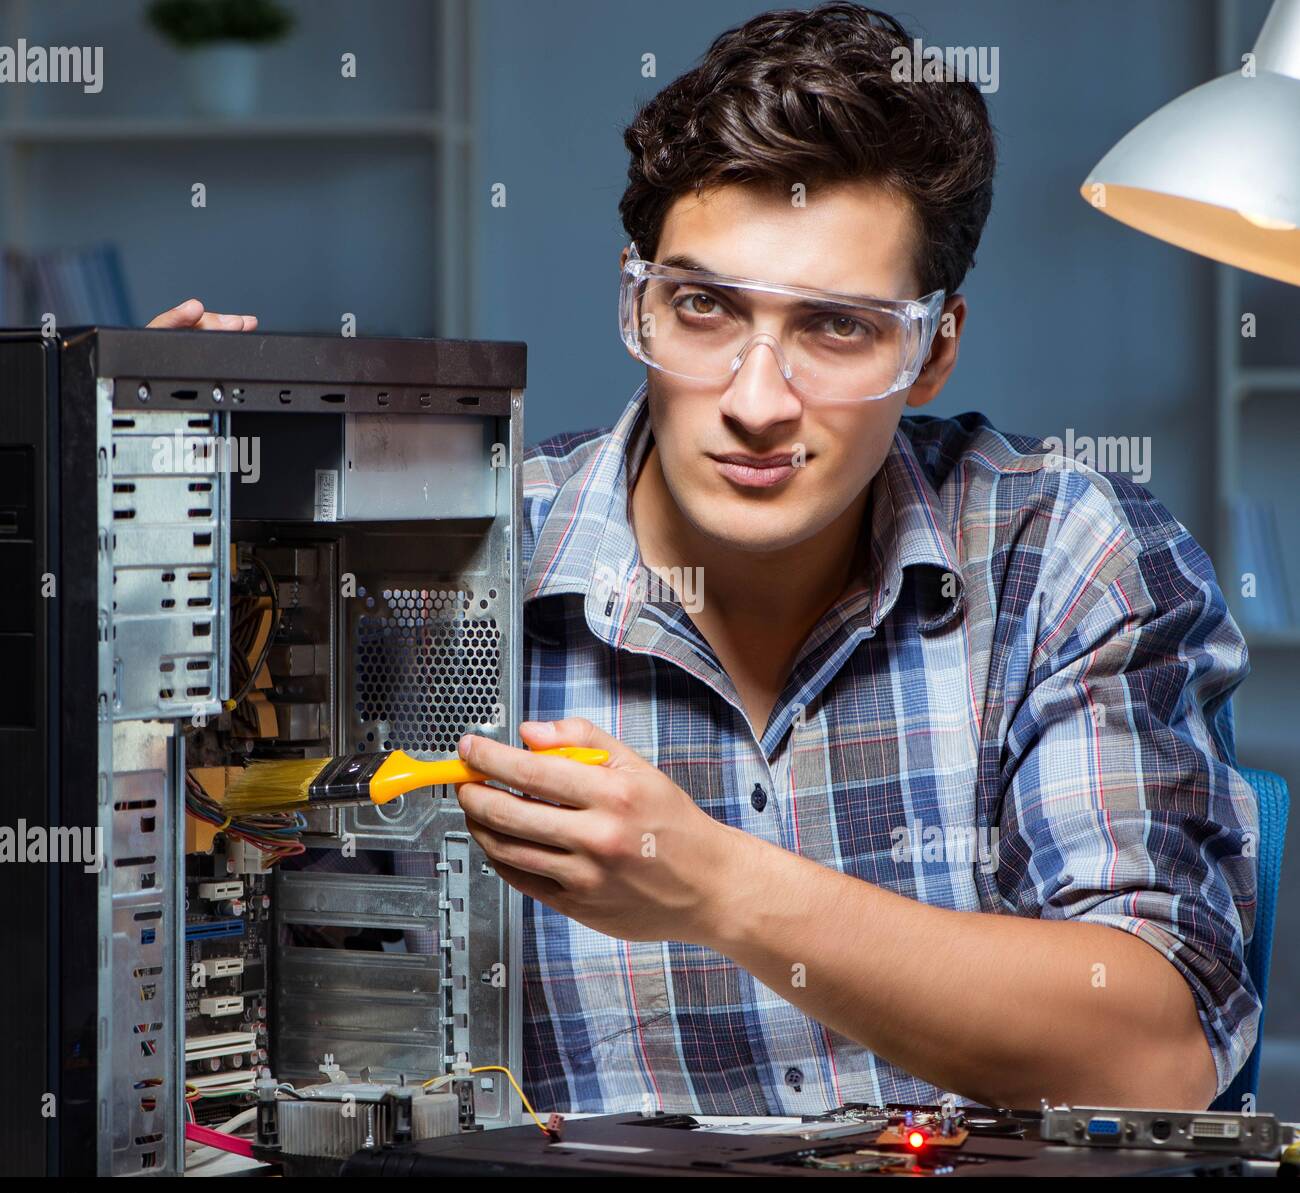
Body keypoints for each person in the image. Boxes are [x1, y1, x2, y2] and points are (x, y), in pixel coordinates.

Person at [150, 3, 1258, 1116]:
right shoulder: (421, 566)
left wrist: (714, 885)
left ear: (933, 349)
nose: (756, 403)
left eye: (837, 327)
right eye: (702, 308)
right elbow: (219, 949)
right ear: (635, 299)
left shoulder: (1058, 555)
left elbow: (1154, 1056)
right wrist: (146, 558)